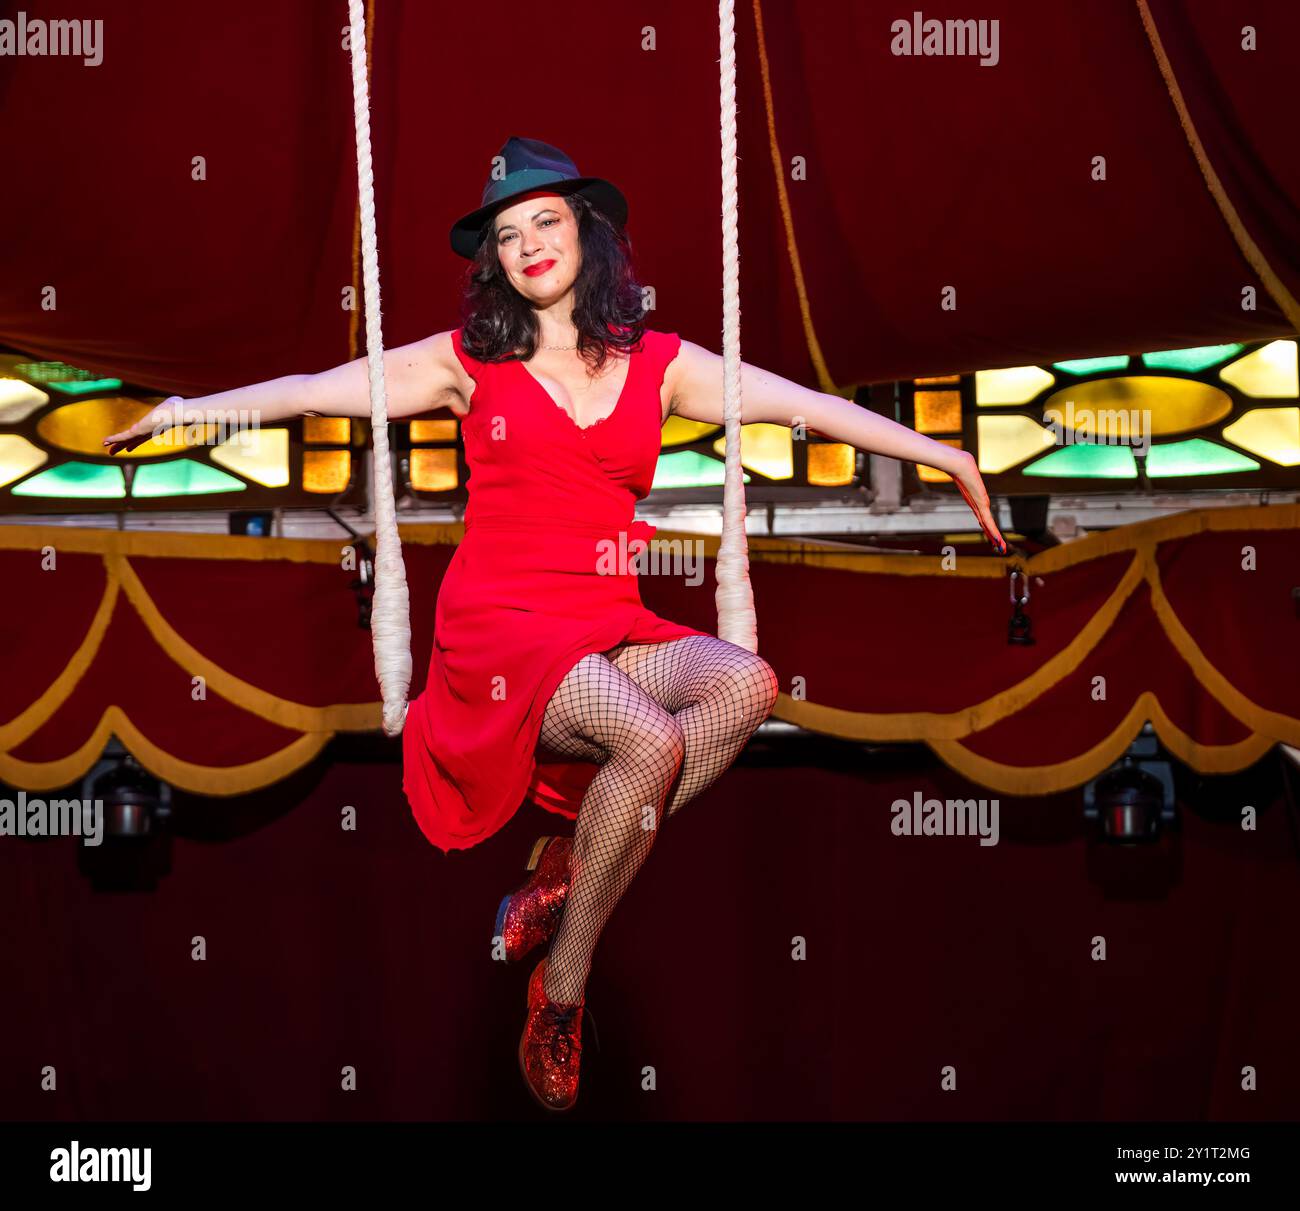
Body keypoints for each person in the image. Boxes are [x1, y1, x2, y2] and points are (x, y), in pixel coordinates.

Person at [103, 136, 1006, 1113]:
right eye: (506, 232)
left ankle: (566, 864)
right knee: (649, 737)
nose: (528, 241)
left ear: (586, 231)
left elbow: (809, 409)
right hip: (500, 627)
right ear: (493, 260)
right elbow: (313, 389)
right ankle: (564, 980)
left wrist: (936, 448)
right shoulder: (465, 364)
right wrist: (190, 411)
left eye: (545, 219)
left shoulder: (661, 364)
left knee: (749, 682)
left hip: (604, 613)